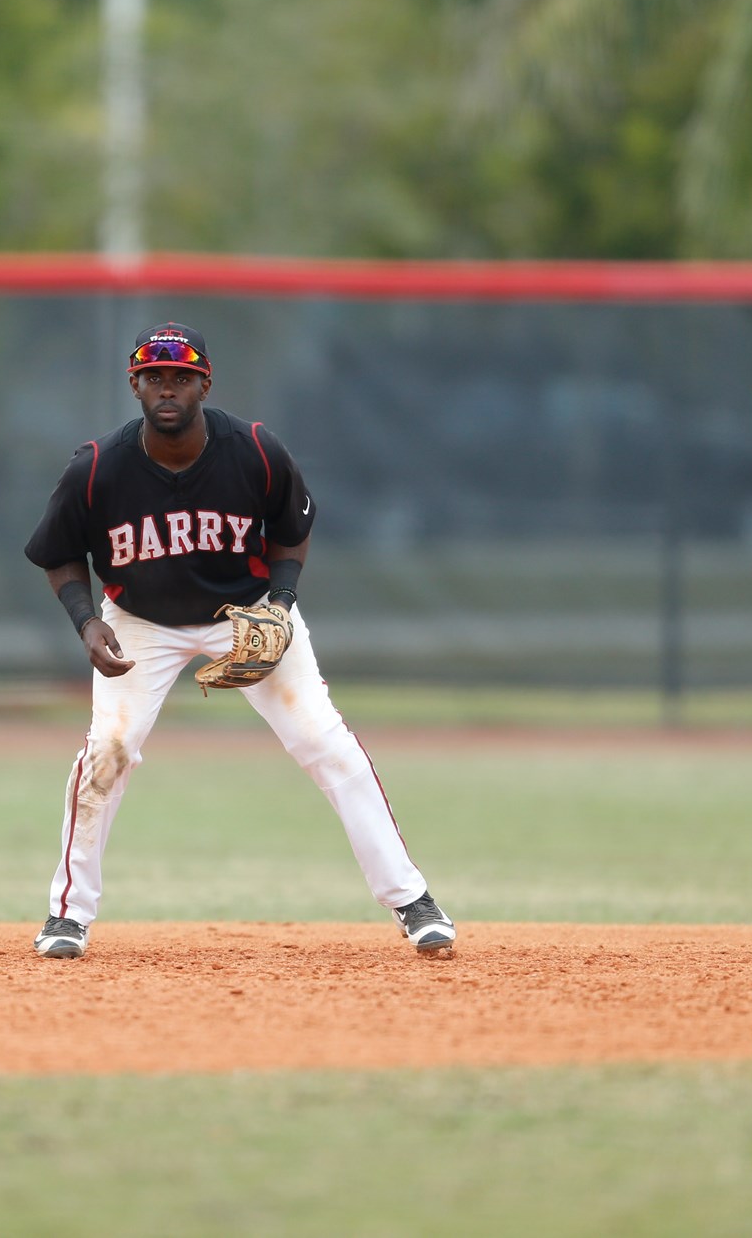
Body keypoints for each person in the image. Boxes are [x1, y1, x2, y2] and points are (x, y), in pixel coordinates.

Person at [23, 321, 455, 960]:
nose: (168, 388)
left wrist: (280, 606)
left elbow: (292, 529)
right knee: (108, 750)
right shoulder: (97, 469)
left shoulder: (254, 450)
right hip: (139, 621)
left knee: (323, 741)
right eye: (155, 377)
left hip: (247, 612)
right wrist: (88, 623)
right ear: (135, 384)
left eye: (182, 377)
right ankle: (68, 915)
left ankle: (411, 899)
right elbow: (58, 555)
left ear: (204, 384)